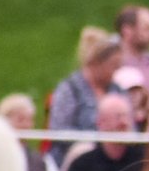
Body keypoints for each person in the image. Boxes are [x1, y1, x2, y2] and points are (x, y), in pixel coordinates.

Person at [47, 27, 123, 163]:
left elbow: (131, 126)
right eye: (113, 65)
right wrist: (96, 141)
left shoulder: (117, 90)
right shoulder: (70, 89)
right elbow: (59, 130)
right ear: (95, 63)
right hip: (74, 161)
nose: (117, 71)